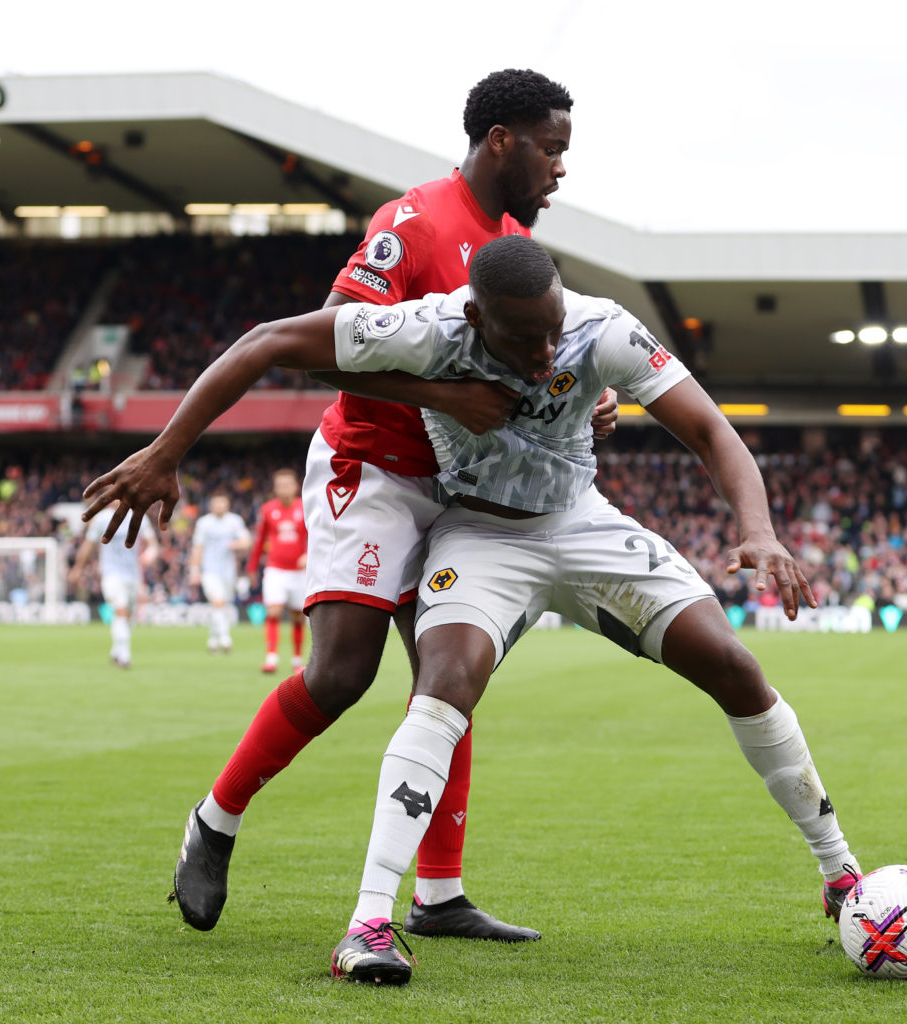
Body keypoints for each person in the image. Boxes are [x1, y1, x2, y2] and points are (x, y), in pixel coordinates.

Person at [78, 235, 864, 988]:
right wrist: (166, 450)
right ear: (475, 319)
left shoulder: (602, 328)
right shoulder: (426, 330)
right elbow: (268, 342)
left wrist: (758, 533)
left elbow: (710, 431)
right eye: (524, 340)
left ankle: (840, 873)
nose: (546, 353)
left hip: (583, 521)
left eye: (551, 330)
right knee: (442, 681)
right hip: (482, 533)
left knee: (731, 663)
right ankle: (368, 923)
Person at [158, 68, 613, 942]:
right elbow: (323, 348)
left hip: (463, 488)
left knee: (453, 670)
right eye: (551, 148)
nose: (561, 167)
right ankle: (215, 819)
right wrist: (443, 401)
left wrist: (583, 395)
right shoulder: (414, 224)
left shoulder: (514, 241)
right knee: (341, 675)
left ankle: (438, 895)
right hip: (372, 469)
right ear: (502, 141)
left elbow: (534, 356)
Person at [70, 500, 159, 668]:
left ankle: (117, 650)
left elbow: (153, 544)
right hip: (111, 574)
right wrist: (77, 568)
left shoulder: (139, 516)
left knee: (127, 616)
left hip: (133, 575)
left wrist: (151, 553)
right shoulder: (102, 519)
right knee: (121, 610)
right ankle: (124, 655)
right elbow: (88, 545)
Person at [248, 468, 310, 674]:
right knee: (273, 611)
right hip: (275, 569)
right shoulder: (267, 510)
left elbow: (316, 536)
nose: (284, 489)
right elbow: (259, 541)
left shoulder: (305, 508)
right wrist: (252, 567)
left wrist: (309, 554)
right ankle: (271, 657)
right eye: (280, 485)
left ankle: (297, 660)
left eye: (287, 485)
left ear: (295, 486)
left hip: (299, 572)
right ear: (275, 488)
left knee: (297, 616)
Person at [190, 493, 251, 654]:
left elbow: (247, 541)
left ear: (227, 505)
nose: (219, 506)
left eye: (222, 503)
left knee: (219, 605)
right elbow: (198, 547)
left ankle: (212, 639)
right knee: (218, 602)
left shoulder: (234, 521)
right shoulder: (204, 523)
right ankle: (225, 638)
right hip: (209, 570)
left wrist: (236, 544)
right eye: (216, 503)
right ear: (211, 505)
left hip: (228, 572)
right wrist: (195, 570)